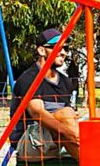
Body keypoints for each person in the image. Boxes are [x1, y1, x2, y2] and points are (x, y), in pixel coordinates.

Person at [9, 27, 81, 159]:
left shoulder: (65, 82)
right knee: (65, 114)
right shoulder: (29, 79)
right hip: (28, 142)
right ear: (41, 50)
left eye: (66, 48)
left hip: (59, 140)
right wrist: (73, 135)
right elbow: (37, 113)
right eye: (57, 48)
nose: (63, 52)